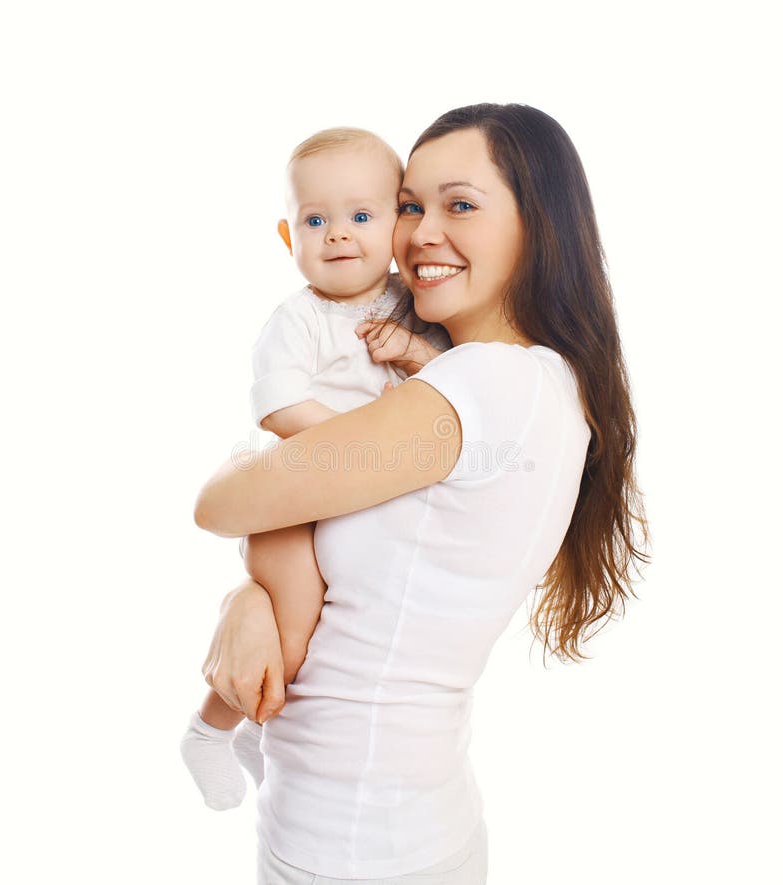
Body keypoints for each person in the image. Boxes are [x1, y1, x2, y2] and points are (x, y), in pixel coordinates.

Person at [193, 103, 651, 883]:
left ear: (537, 227)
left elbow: (222, 502)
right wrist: (248, 600)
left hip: (353, 843)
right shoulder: (537, 380)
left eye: (460, 205)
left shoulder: (479, 386)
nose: (418, 233)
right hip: (396, 821)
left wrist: (246, 592)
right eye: (410, 205)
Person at [180, 127, 452, 811]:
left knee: (323, 643)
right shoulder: (296, 319)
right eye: (315, 220)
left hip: (349, 502)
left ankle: (252, 735)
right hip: (287, 507)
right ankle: (209, 729)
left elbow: (452, 391)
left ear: (396, 224)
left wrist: (416, 353)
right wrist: (365, 443)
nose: (337, 235)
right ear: (287, 235)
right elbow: (277, 408)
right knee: (294, 636)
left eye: (361, 217)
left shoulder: (412, 307)